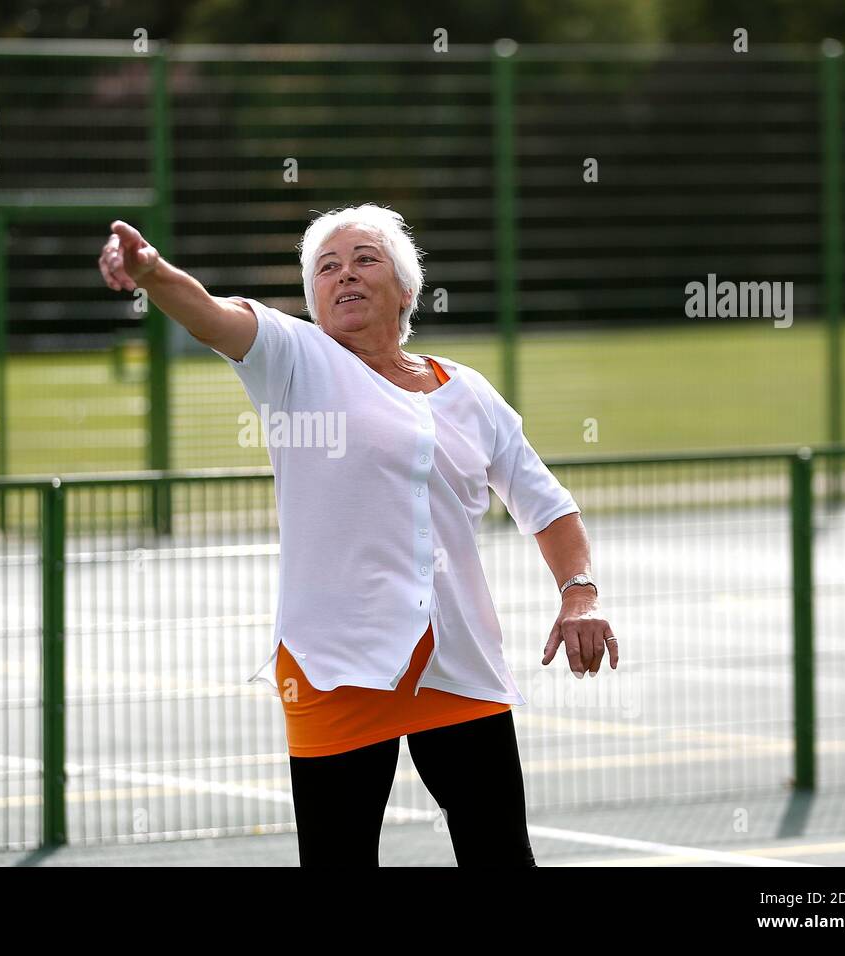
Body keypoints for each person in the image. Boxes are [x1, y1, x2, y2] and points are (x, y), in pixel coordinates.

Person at [98, 202, 617, 866]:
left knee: (501, 855)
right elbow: (217, 317)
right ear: (312, 297)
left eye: (364, 259)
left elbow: (548, 507)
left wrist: (580, 593)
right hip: (334, 665)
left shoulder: (470, 393)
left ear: (405, 289)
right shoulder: (294, 360)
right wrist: (153, 272)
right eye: (326, 267)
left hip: (458, 664)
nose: (344, 275)